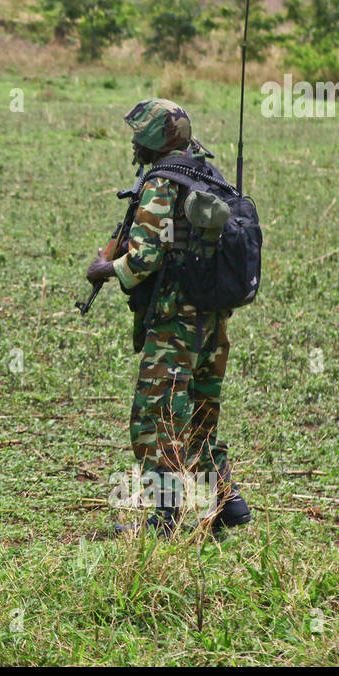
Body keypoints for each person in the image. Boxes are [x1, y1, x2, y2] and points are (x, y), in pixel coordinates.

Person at [86, 98, 252, 536]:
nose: (134, 142)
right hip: (212, 323)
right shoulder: (207, 175)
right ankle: (222, 507)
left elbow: (143, 260)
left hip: (175, 324)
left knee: (155, 422)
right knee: (199, 419)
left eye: (140, 135)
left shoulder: (162, 183)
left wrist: (106, 269)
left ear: (157, 139)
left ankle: (164, 523)